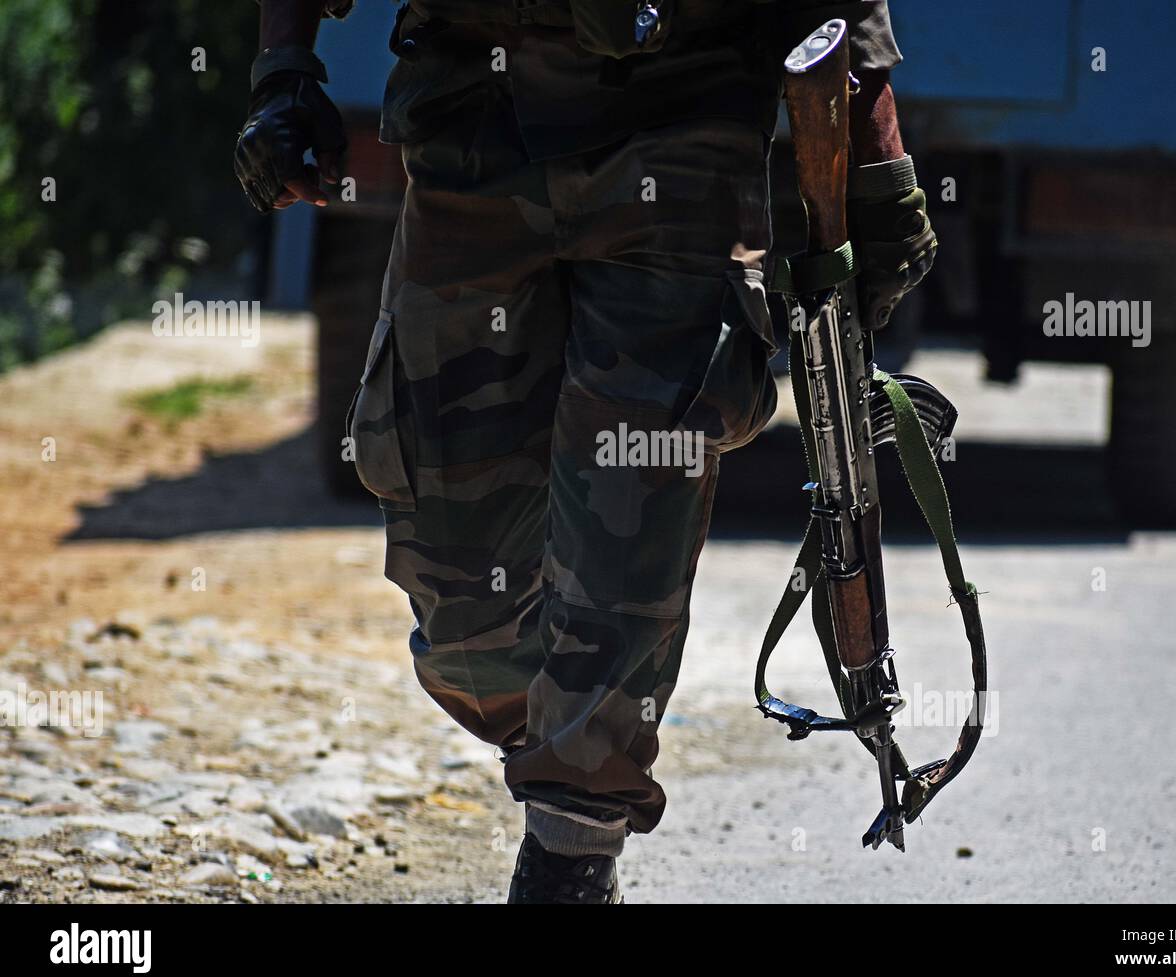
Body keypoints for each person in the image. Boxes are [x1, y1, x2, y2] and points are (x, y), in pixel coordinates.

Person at [235, 0, 935, 904]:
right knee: (468, 628)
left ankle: (572, 847)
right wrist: (283, 70)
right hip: (471, 111)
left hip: (685, 116)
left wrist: (875, 135)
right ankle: (566, 743)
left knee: (630, 504)